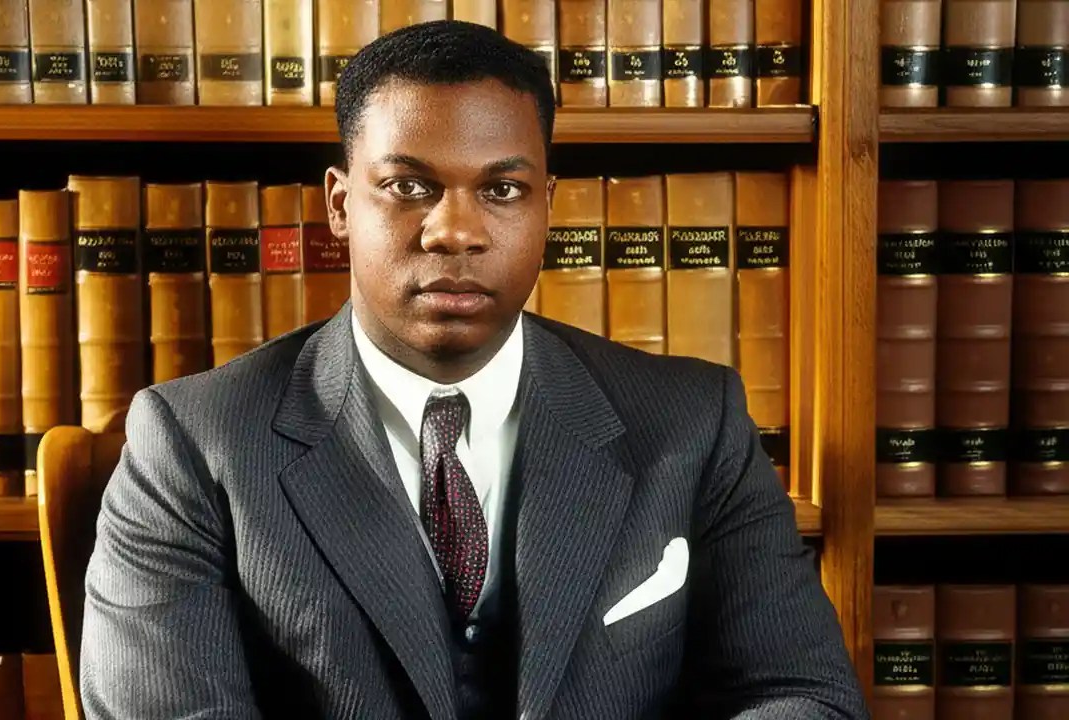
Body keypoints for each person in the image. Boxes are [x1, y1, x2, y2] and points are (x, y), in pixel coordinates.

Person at [78, 19, 869, 720]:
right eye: (409, 186)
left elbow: (802, 696)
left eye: (501, 189)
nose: (455, 232)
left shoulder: (695, 420)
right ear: (341, 204)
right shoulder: (192, 443)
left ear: (547, 206)